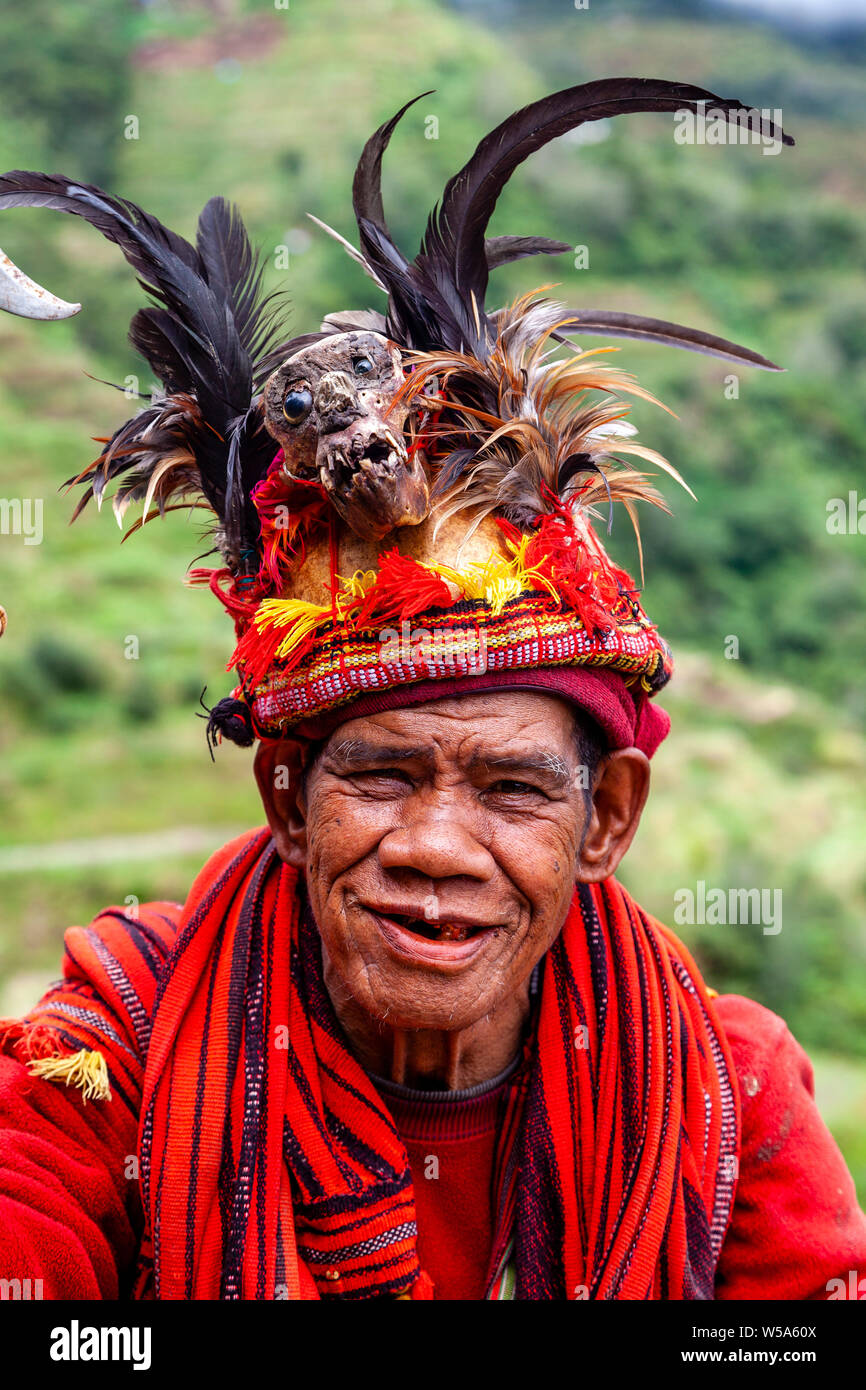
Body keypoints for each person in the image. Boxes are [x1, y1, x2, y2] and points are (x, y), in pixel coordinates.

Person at [0, 79, 863, 1301]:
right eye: (381, 774)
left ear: (606, 818)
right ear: (290, 802)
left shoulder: (725, 1089)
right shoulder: (119, 1045)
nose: (435, 848)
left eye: (512, 787)